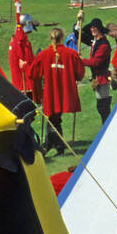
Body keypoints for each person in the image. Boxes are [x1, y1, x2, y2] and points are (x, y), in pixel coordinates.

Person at [28, 27, 85, 156]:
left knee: (53, 118)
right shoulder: (71, 54)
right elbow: (80, 74)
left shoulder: (43, 54)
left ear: (51, 38)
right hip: (65, 93)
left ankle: (50, 146)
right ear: (62, 38)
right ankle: (56, 145)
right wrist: (78, 60)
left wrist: (24, 66)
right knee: (54, 119)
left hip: (51, 93)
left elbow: (33, 73)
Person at [80, 18, 112, 125]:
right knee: (101, 106)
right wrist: (78, 23)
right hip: (96, 77)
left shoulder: (103, 44)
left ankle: (107, 127)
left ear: (99, 29)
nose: (92, 29)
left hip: (102, 78)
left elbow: (95, 62)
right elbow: (80, 33)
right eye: (91, 27)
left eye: (95, 27)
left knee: (103, 106)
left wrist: (81, 61)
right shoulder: (95, 41)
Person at [7, 14, 36, 100]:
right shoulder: (19, 43)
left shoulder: (21, 42)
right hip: (24, 85)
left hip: (25, 83)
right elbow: (25, 61)